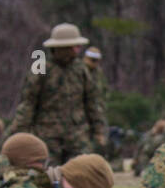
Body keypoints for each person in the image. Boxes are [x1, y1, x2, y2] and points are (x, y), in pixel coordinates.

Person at [6, 23, 106, 164]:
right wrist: (19, 132)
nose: (77, 50)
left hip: (77, 135)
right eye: (74, 46)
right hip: (47, 135)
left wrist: (99, 130)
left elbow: (92, 103)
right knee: (48, 175)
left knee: (80, 173)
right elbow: (28, 103)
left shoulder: (81, 70)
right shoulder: (40, 67)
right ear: (62, 48)